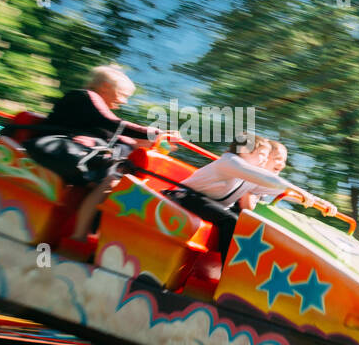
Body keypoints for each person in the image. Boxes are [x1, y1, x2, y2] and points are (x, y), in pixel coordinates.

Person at [27, 66, 171, 240]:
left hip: (74, 156)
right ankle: (79, 237)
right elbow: (112, 124)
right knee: (109, 177)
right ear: (104, 86)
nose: (124, 102)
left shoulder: (95, 113)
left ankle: (86, 237)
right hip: (55, 150)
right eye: (123, 95)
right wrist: (153, 132)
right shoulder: (84, 97)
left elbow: (122, 138)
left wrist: (154, 143)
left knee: (113, 180)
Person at [169, 135, 334, 260]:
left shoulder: (248, 178)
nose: (264, 160)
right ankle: (229, 272)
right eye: (262, 154)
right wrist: (300, 191)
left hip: (203, 202)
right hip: (183, 197)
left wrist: (318, 203)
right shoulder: (229, 161)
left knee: (243, 225)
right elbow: (269, 179)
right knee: (231, 220)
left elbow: (281, 192)